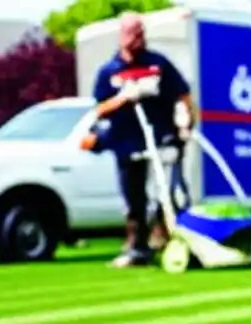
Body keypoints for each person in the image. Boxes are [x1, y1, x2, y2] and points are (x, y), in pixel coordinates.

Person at [88, 12, 194, 268]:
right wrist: (123, 98)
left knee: (166, 193)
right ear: (121, 35)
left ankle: (168, 239)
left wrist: (186, 122)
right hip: (127, 142)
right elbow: (99, 108)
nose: (136, 38)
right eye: (131, 32)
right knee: (134, 198)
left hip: (161, 138)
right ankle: (137, 247)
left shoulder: (158, 65)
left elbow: (183, 94)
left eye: (140, 32)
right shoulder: (109, 71)